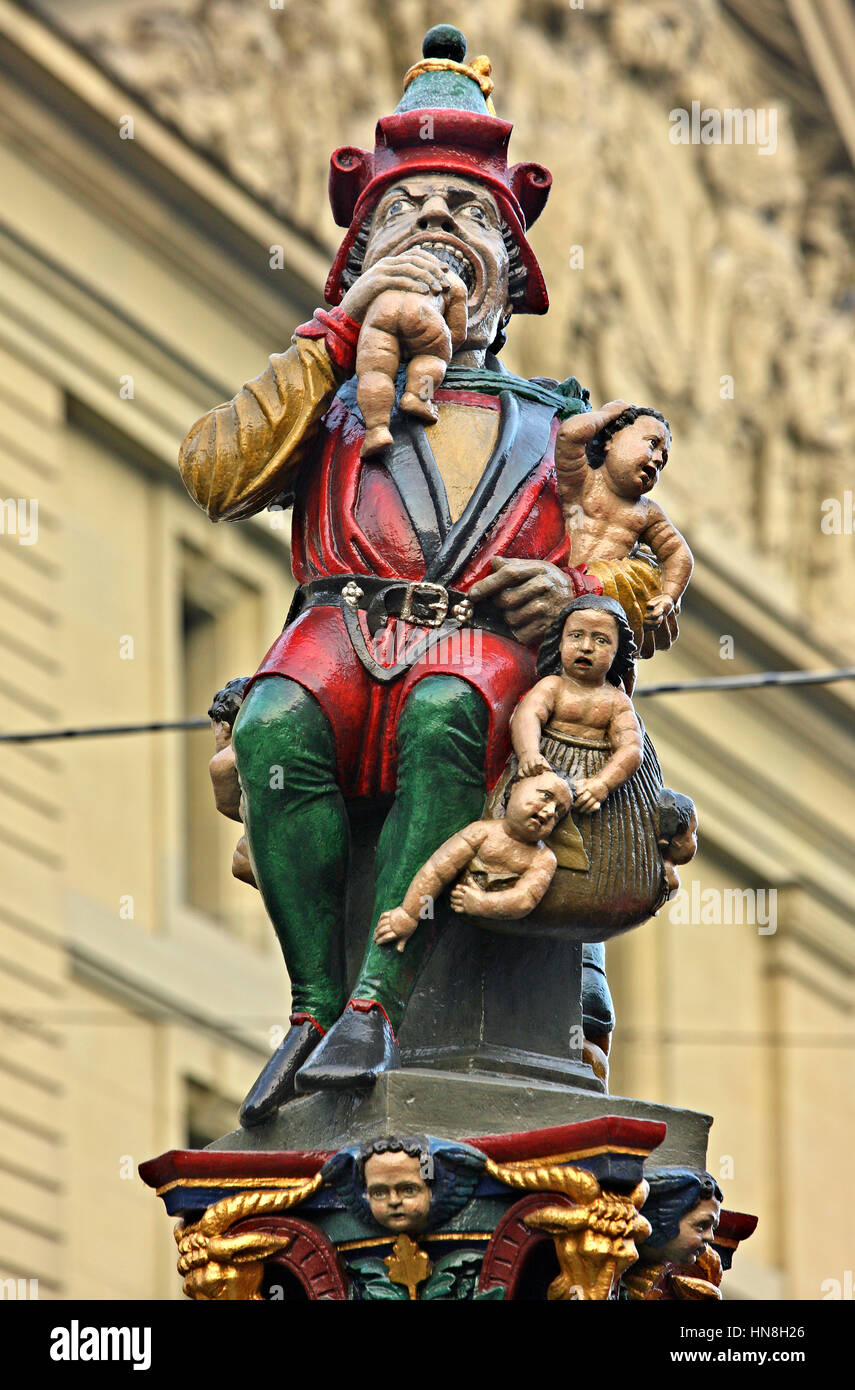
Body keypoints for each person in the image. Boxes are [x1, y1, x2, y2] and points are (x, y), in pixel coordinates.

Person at [179, 26, 607, 1121]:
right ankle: (313, 1006)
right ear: (362, 255)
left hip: (471, 640)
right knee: (273, 722)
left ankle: (379, 996)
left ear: (509, 273)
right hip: (342, 623)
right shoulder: (325, 396)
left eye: (466, 211)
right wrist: (336, 333)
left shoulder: (559, 421)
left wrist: (575, 601)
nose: (434, 224)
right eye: (403, 211)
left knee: (446, 713)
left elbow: (622, 568)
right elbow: (215, 472)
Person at [374, 767, 573, 951]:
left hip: (503, 946)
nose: (550, 811)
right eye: (545, 796)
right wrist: (410, 914)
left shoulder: (543, 859)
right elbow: (437, 871)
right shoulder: (480, 832)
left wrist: (482, 903)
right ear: (515, 787)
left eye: (559, 812)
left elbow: (525, 899)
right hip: (448, 925)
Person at [554, 401, 694, 660]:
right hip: (561, 588)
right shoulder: (581, 482)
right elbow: (568, 436)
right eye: (652, 444)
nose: (658, 458)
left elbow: (678, 553)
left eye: (663, 460)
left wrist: (669, 596)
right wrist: (607, 415)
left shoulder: (646, 512)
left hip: (602, 601)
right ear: (611, 441)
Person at [511, 595, 643, 813]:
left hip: (590, 785)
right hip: (543, 771)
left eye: (601, 640)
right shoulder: (552, 686)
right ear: (560, 643)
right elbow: (527, 716)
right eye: (576, 635)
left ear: (616, 651)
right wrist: (529, 753)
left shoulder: (617, 702)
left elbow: (631, 748)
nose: (586, 647)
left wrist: (603, 783)